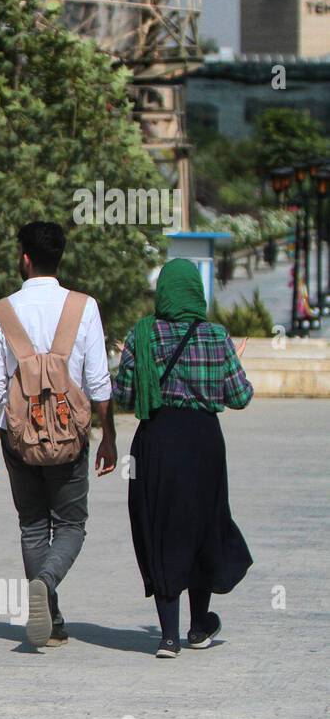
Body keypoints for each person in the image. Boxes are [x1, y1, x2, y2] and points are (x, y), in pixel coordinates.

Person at [0, 221, 118, 648]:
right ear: (59, 259)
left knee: (33, 524)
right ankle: (47, 586)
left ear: (25, 258)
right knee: (71, 523)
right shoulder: (83, 307)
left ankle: (49, 618)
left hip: (17, 438)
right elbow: (99, 383)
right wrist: (107, 436)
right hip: (70, 436)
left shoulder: (1, 312)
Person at [112, 258, 253, 659]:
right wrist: (234, 362)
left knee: (161, 525)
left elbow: (123, 396)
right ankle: (198, 626)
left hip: (157, 441)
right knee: (203, 524)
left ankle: (168, 637)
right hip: (205, 442)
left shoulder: (142, 335)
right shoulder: (216, 336)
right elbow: (240, 397)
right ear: (196, 292)